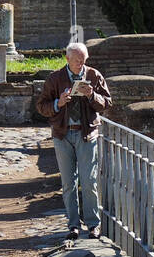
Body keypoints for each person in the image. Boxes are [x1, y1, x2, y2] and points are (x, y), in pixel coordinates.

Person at [36, 41, 112, 244]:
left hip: (87, 133)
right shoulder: (55, 79)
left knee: (89, 182)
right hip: (63, 135)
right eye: (77, 60)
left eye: (84, 60)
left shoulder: (94, 76)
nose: (81, 64)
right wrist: (58, 103)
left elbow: (107, 103)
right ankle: (73, 225)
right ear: (67, 59)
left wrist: (92, 95)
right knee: (68, 183)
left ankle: (93, 225)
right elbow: (41, 106)